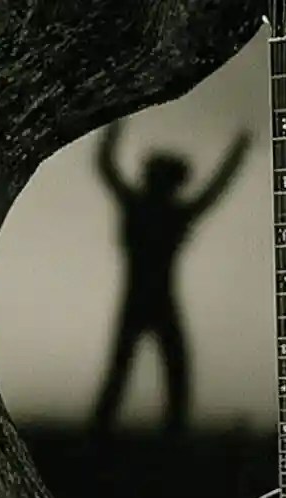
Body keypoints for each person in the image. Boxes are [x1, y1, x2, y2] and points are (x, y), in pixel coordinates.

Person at [90, 118, 250, 439]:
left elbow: (106, 167)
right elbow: (213, 191)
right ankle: (129, 432)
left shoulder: (141, 206)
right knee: (164, 369)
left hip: (144, 298)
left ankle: (109, 433)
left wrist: (114, 122)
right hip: (153, 298)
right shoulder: (163, 211)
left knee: (146, 369)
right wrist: (238, 153)